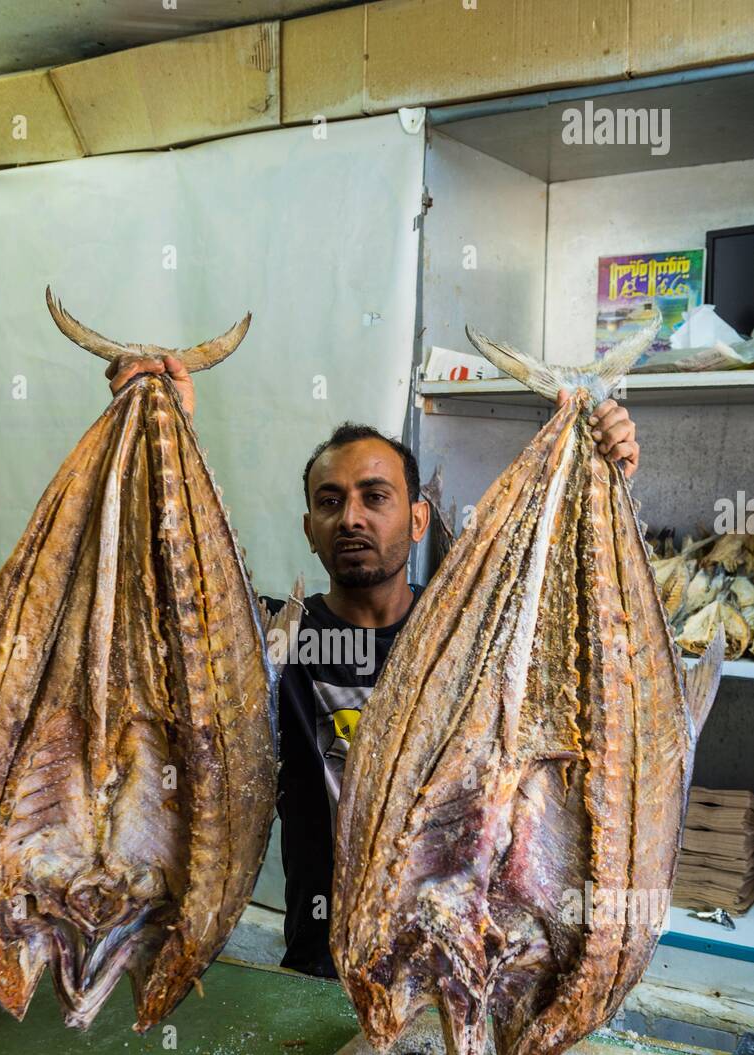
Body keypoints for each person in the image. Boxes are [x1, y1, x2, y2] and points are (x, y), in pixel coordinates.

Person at [107, 353, 640, 977]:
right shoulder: (273, 642)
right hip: (321, 963)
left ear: (418, 519)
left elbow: (578, 625)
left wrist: (611, 474)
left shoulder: (476, 639)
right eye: (329, 502)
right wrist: (167, 427)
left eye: (375, 496)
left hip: (456, 966)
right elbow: (162, 590)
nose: (351, 516)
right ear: (310, 529)